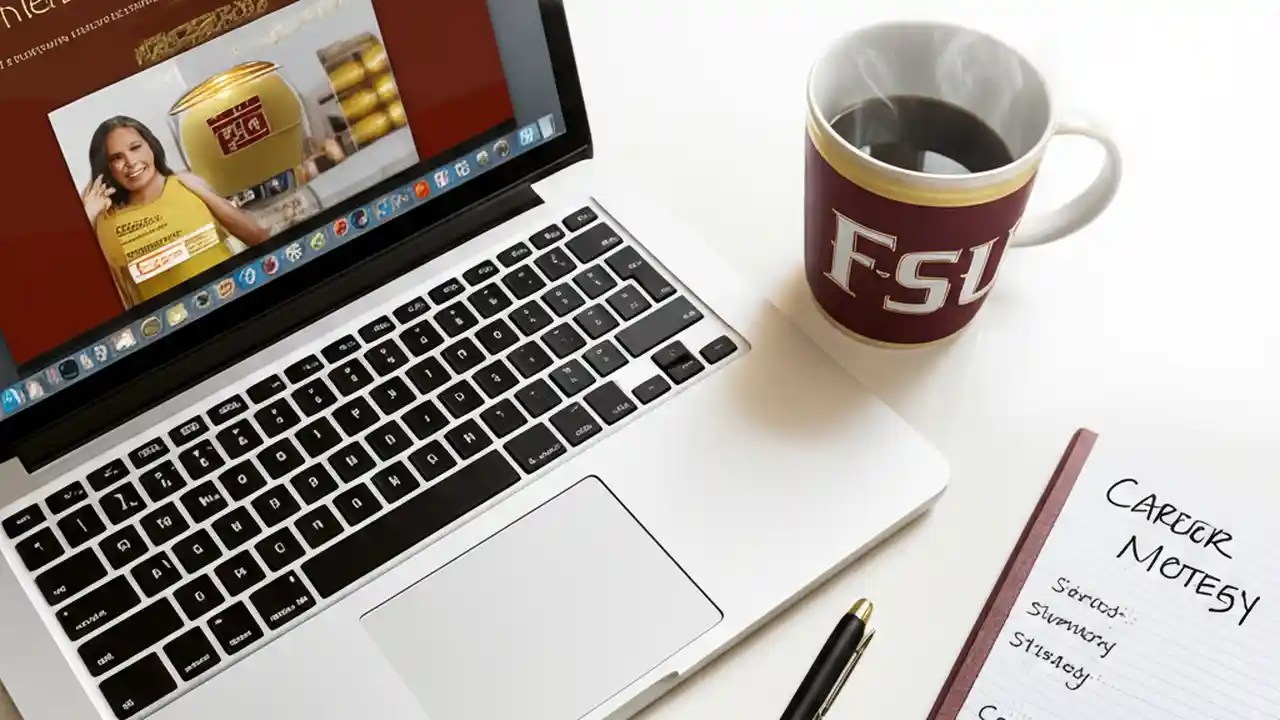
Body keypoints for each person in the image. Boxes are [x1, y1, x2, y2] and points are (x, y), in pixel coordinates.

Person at [81, 116, 270, 309]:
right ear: (107, 167)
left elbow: (258, 237)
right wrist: (86, 215)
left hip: (239, 301)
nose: (131, 162)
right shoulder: (105, 221)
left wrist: (205, 194)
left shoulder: (188, 185)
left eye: (135, 147)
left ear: (151, 146)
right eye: (116, 158)